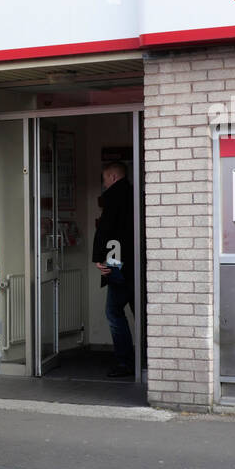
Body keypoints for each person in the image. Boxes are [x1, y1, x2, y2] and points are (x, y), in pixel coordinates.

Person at [91, 161, 135, 378]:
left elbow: (106, 232)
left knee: (113, 312)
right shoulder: (136, 194)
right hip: (138, 265)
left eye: (105, 179)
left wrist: (100, 259)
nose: (104, 184)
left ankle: (125, 362)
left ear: (113, 177)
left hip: (119, 265)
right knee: (141, 314)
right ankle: (147, 360)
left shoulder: (114, 197)